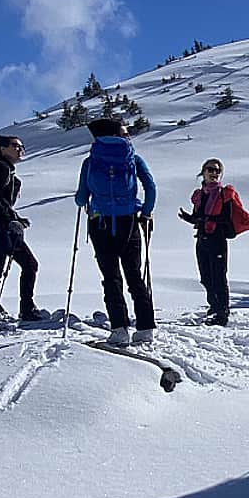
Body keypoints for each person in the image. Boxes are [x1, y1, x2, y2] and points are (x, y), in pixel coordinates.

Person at [75, 118, 157, 346]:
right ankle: (146, 327)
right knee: (134, 274)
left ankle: (119, 329)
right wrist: (146, 212)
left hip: (100, 223)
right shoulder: (133, 158)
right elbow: (150, 186)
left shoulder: (90, 162)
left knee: (111, 278)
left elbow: (81, 197)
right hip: (129, 221)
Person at [178, 158, 249, 326]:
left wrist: (204, 218)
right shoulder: (200, 195)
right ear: (203, 172)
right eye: (210, 169)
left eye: (217, 170)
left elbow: (225, 218)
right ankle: (214, 307)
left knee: (219, 277)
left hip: (217, 239)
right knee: (205, 277)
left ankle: (222, 312)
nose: (214, 173)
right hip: (202, 238)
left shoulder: (224, 193)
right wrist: (190, 218)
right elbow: (198, 218)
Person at [0, 134, 42, 321]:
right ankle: (24, 309)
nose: (20, 149)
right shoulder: (0, 168)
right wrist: (13, 219)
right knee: (29, 265)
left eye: (21, 146)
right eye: (15, 145)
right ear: (2, 149)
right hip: (0, 227)